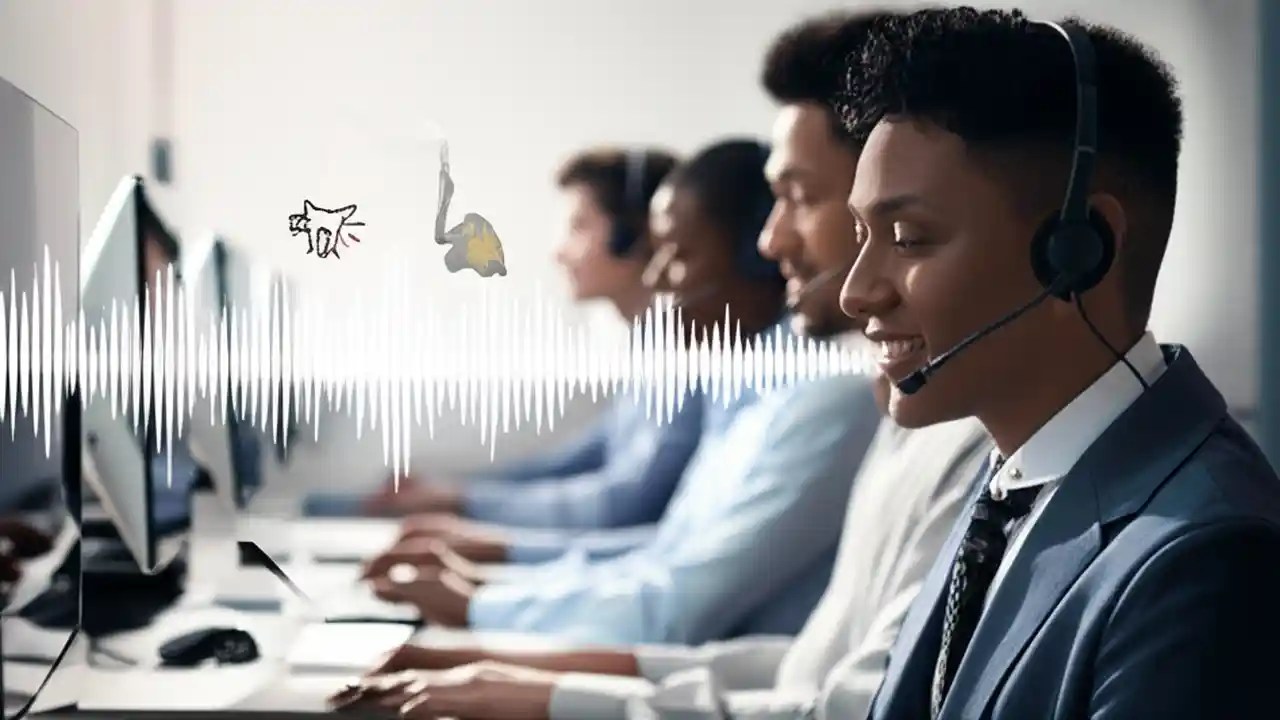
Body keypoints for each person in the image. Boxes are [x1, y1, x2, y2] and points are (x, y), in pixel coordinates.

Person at [326, 14, 988, 719]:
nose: (771, 240)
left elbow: (682, 598)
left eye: (797, 197)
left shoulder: (860, 406)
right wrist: (506, 661)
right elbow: (805, 665)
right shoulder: (891, 415)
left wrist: (504, 630)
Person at [824, 8, 1280, 719]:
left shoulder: (1206, 558)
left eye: (909, 238)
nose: (854, 291)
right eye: (859, 235)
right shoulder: (1007, 484)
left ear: (1079, 250)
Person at [356, 138, 881, 648]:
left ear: (754, 261)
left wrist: (482, 592)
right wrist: (489, 569)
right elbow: (663, 553)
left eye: (677, 255)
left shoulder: (822, 399)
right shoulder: (743, 386)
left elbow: (669, 590)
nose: (658, 279)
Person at [302, 149, 707, 565]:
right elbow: (579, 458)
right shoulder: (651, 348)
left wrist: (463, 503)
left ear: (633, 235)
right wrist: (448, 492)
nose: (559, 252)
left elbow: (626, 502)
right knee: (320, 518)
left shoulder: (688, 356)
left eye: (578, 227)